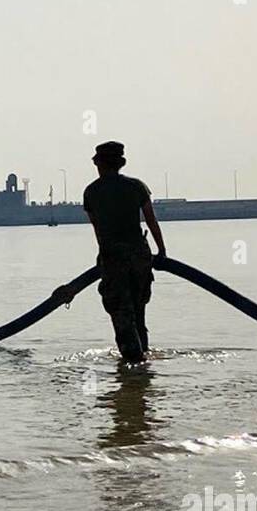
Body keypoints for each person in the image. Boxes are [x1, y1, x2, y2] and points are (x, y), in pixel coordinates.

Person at [82, 141, 166, 363]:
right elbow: (151, 220)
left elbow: (98, 230)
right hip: (140, 256)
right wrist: (162, 251)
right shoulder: (136, 187)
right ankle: (141, 364)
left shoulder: (91, 192)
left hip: (112, 259)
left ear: (99, 164)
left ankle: (133, 370)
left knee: (122, 315)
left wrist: (105, 259)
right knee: (138, 312)